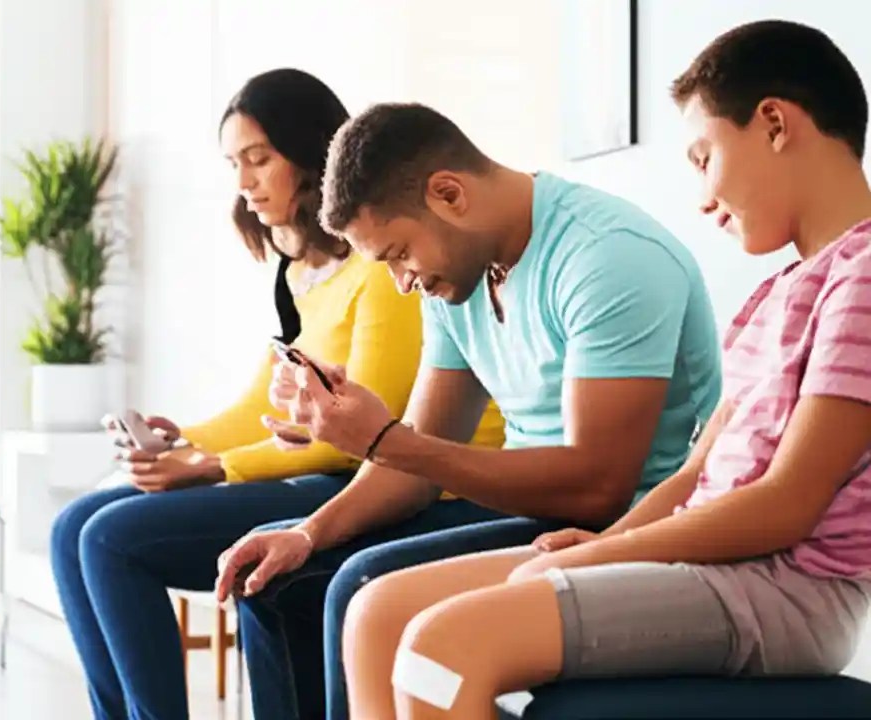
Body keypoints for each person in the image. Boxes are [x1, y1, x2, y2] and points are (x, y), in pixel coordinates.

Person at [340, 19, 871, 720]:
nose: (703, 198)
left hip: (785, 587)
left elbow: (787, 504)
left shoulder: (861, 279)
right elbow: (693, 478)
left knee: (443, 651)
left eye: (703, 157)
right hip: (716, 566)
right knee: (379, 613)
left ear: (774, 123)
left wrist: (591, 561)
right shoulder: (776, 294)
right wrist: (606, 545)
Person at [214, 102, 724, 719]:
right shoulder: (457, 276)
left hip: (633, 520)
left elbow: (597, 488)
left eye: (399, 253)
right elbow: (419, 459)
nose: (403, 281)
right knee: (280, 580)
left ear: (449, 194)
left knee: (362, 586)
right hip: (533, 510)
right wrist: (305, 531)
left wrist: (381, 439)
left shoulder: (607, 258)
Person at [50, 68, 503, 720]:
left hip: (368, 481)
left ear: (313, 152)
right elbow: (265, 403)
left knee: (110, 538)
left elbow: (352, 442)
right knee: (74, 526)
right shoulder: (296, 273)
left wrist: (215, 467)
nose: (243, 182)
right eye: (235, 163)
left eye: (259, 159)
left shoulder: (385, 271)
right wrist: (186, 440)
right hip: (333, 467)